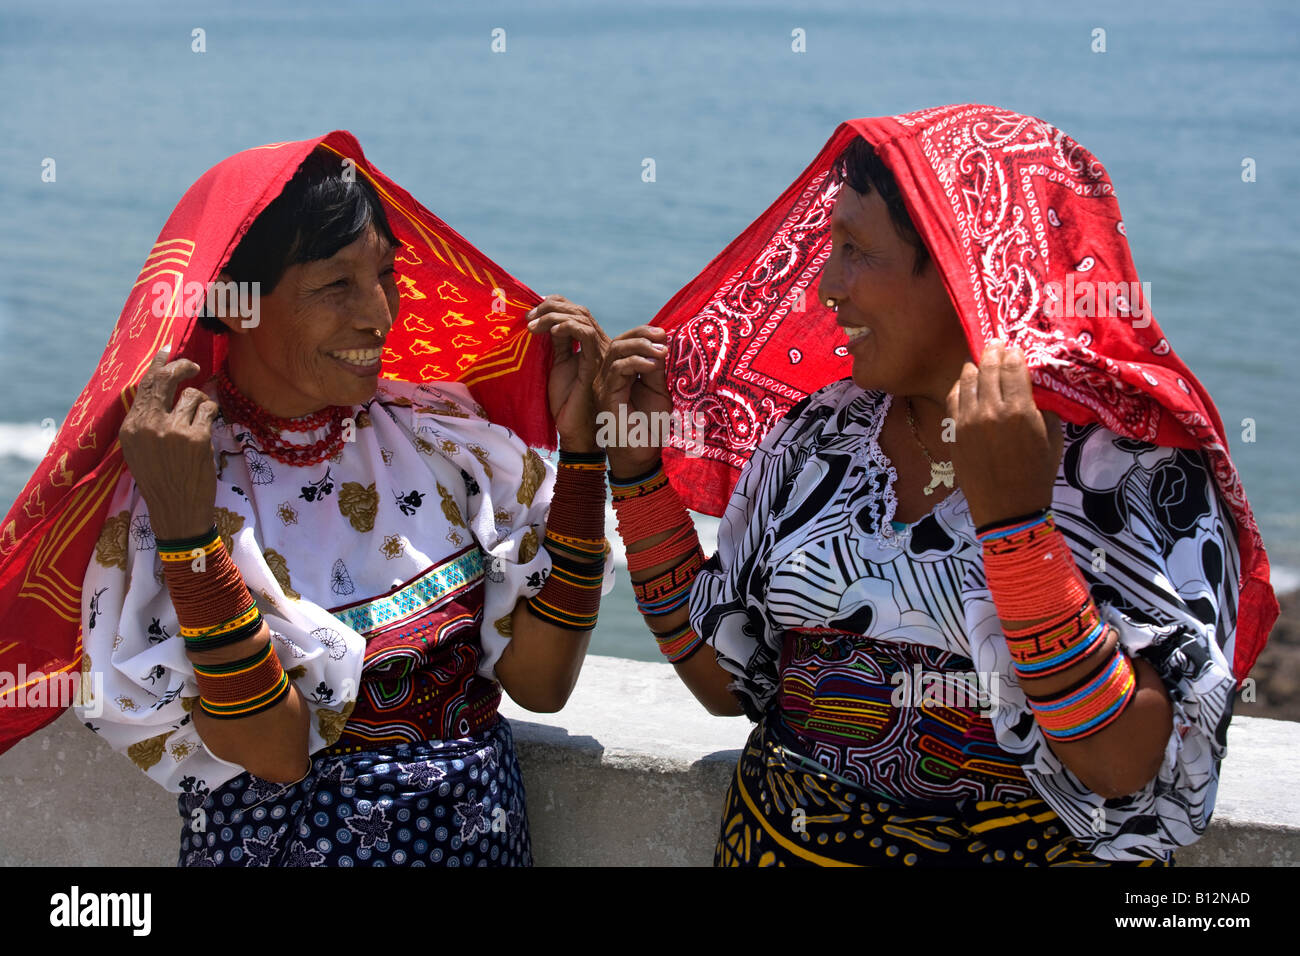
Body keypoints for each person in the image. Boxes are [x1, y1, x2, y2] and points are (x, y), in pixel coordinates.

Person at [595, 104, 1278, 866]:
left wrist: (1017, 533)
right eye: (832, 249)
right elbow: (730, 682)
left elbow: (1122, 768)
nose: (827, 289)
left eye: (858, 253)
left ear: (967, 272)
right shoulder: (819, 437)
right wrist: (638, 473)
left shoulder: (1140, 478)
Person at [29, 134, 614, 866]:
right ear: (235, 304)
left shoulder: (442, 442)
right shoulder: (182, 484)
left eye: (385, 275)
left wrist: (584, 453)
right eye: (336, 285)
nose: (378, 313)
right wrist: (185, 534)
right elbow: (274, 750)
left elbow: (541, 682)